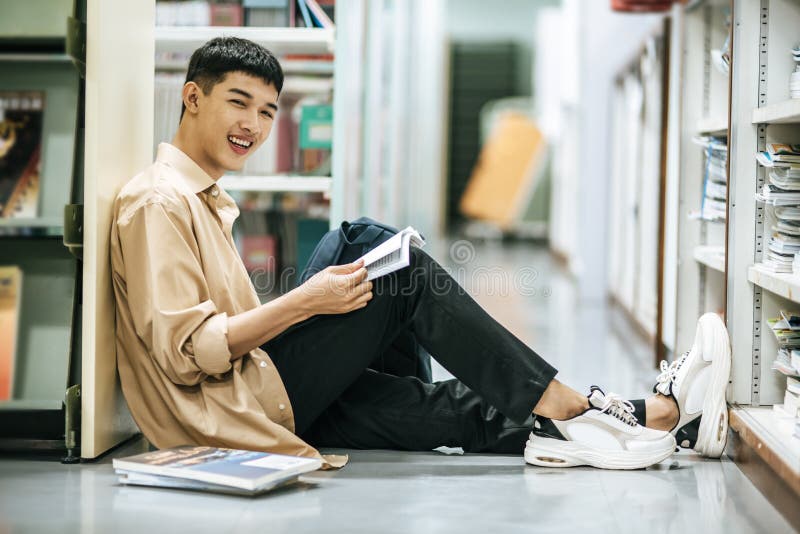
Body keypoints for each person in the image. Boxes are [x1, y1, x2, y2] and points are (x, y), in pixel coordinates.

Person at [109, 37, 732, 471]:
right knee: (398, 274)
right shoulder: (159, 203)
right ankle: (578, 404)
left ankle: (653, 420)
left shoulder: (203, 197)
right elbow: (192, 354)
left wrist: (314, 303)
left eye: (268, 111)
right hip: (231, 408)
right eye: (238, 103)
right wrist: (305, 303)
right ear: (193, 97)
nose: (253, 125)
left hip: (255, 387)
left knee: (367, 245)